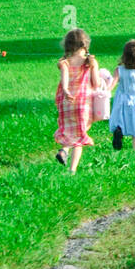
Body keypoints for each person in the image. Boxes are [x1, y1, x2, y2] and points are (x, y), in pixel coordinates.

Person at [54, 28, 101, 173]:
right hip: (83, 104)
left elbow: (64, 79)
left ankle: (64, 150)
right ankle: (72, 170)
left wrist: (66, 90)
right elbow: (96, 84)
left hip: (66, 103)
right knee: (79, 136)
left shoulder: (65, 62)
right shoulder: (90, 62)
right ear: (85, 45)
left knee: (69, 131)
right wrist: (95, 68)